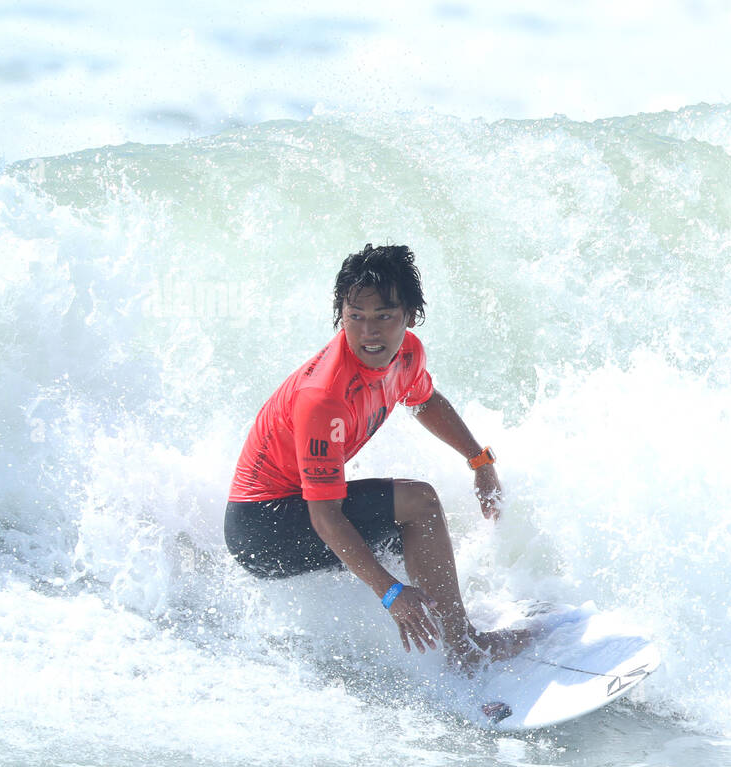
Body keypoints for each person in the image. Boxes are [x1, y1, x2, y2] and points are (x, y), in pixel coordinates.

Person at [224, 243, 526, 668]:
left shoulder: (407, 355)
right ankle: (464, 650)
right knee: (419, 503)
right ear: (340, 318)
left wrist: (480, 461)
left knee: (417, 526)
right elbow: (325, 518)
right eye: (355, 318)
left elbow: (424, 401)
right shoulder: (323, 397)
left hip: (296, 509)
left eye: (384, 316)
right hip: (263, 529)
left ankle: (445, 644)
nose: (369, 332)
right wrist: (390, 592)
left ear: (410, 317)